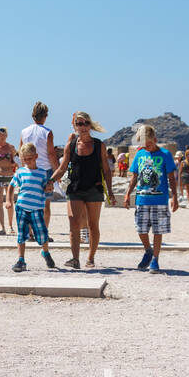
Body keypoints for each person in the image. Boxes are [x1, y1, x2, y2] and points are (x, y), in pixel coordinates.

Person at [53, 111, 115, 268]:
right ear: (75, 126)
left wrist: (111, 192)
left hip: (94, 189)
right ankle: (75, 259)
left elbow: (107, 170)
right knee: (73, 223)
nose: (83, 127)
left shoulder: (99, 145)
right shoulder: (71, 145)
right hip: (75, 189)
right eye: (79, 124)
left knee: (93, 224)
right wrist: (50, 180)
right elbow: (62, 168)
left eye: (85, 123)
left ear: (90, 125)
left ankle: (91, 257)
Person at [123, 125, 178, 273]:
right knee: (141, 229)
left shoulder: (165, 154)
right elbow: (134, 176)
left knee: (158, 231)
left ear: (155, 139)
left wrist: (175, 197)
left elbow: (172, 178)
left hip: (160, 200)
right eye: (144, 144)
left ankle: (155, 259)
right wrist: (128, 194)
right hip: (142, 199)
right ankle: (148, 250)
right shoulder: (140, 155)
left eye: (149, 143)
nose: (147, 146)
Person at [9, 142, 56, 271]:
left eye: (29, 158)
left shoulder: (42, 173)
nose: (27, 161)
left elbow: (47, 188)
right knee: (21, 235)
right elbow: (11, 186)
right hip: (21, 208)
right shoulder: (20, 172)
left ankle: (45, 252)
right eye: (24, 159)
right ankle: (21, 260)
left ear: (36, 156)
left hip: (37, 209)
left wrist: (48, 187)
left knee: (42, 234)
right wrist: (8, 200)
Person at [19, 102, 61, 228]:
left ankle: (31, 232)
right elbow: (51, 154)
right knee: (45, 204)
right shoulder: (47, 132)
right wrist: (57, 172)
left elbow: (21, 151)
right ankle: (43, 232)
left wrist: (23, 169)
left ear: (33, 116)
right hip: (45, 170)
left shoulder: (24, 132)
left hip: (29, 169)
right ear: (45, 116)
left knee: (30, 202)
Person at [0, 127, 18, 236]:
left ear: (6, 136)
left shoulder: (11, 147)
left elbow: (17, 161)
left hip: (9, 177)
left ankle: (10, 225)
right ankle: (2, 227)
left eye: (1, 135)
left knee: (9, 202)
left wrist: (13, 165)